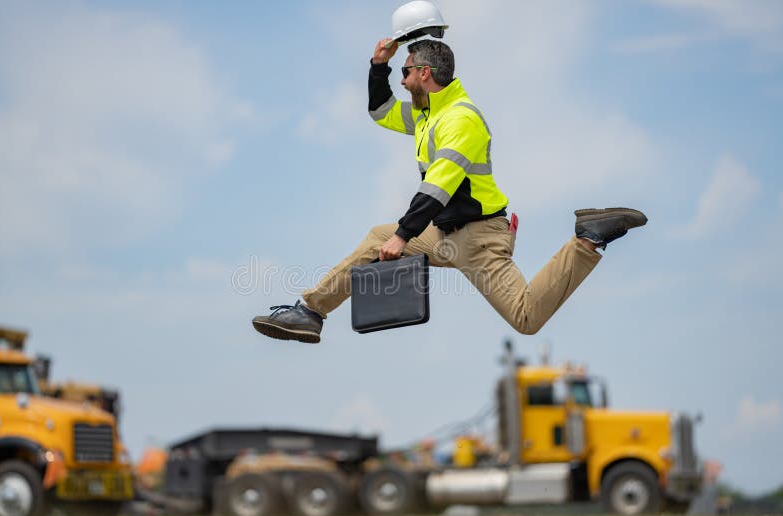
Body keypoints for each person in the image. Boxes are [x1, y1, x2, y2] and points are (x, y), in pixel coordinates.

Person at [252, 38, 647, 344]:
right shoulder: (428, 113)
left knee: (526, 318)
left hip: (479, 239)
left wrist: (403, 236)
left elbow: (438, 186)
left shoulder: (460, 118)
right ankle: (311, 312)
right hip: (444, 235)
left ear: (424, 73)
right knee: (376, 237)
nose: (401, 80)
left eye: (405, 72)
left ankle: (587, 239)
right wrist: (379, 64)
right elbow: (381, 111)